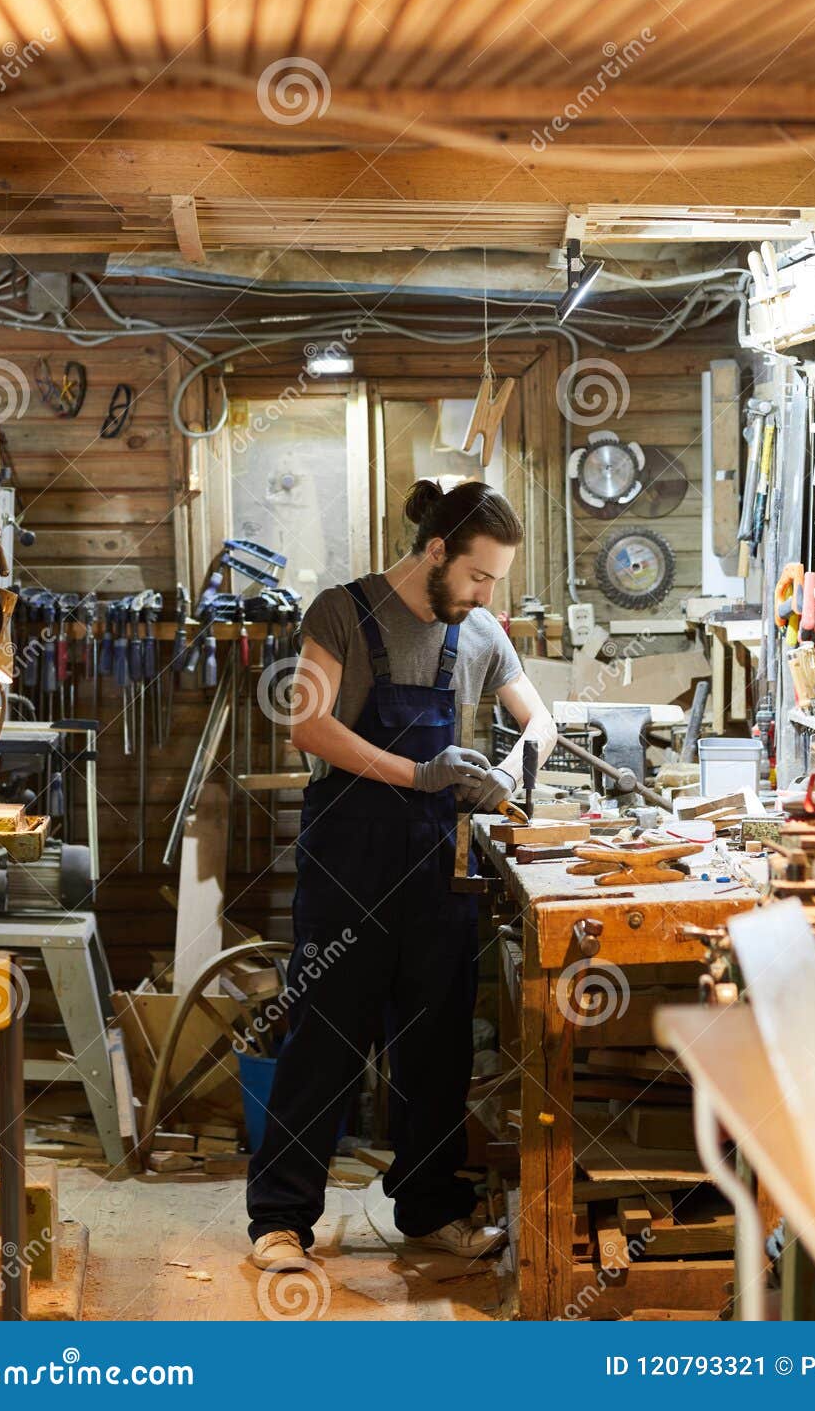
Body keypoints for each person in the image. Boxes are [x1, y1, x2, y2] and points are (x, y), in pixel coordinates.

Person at [247, 478, 555, 1272]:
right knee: (324, 1041)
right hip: (349, 867)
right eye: (478, 575)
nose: (487, 593)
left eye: (495, 580)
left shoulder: (479, 630)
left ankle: (428, 1210)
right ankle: (280, 1222)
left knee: (436, 1048)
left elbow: (541, 722)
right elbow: (305, 728)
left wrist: (514, 774)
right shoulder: (340, 613)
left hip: (436, 872)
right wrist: (417, 776)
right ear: (434, 552)